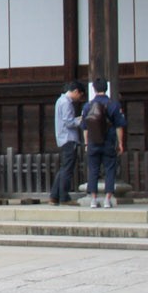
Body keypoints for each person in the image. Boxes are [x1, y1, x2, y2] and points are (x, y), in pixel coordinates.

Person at [82, 79, 127, 208]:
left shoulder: (87, 106)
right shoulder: (114, 105)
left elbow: (85, 128)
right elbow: (119, 126)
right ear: (106, 88)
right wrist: (120, 143)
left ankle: (93, 199)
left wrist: (86, 144)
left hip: (92, 142)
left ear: (94, 89)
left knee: (93, 170)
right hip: (108, 141)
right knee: (110, 169)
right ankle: (108, 198)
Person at [49, 80, 87, 204]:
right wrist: (82, 120)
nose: (79, 99)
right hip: (69, 138)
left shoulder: (60, 101)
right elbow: (69, 122)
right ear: (76, 91)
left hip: (63, 138)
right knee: (67, 169)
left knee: (64, 168)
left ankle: (54, 195)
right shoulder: (66, 103)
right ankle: (64, 197)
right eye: (80, 95)